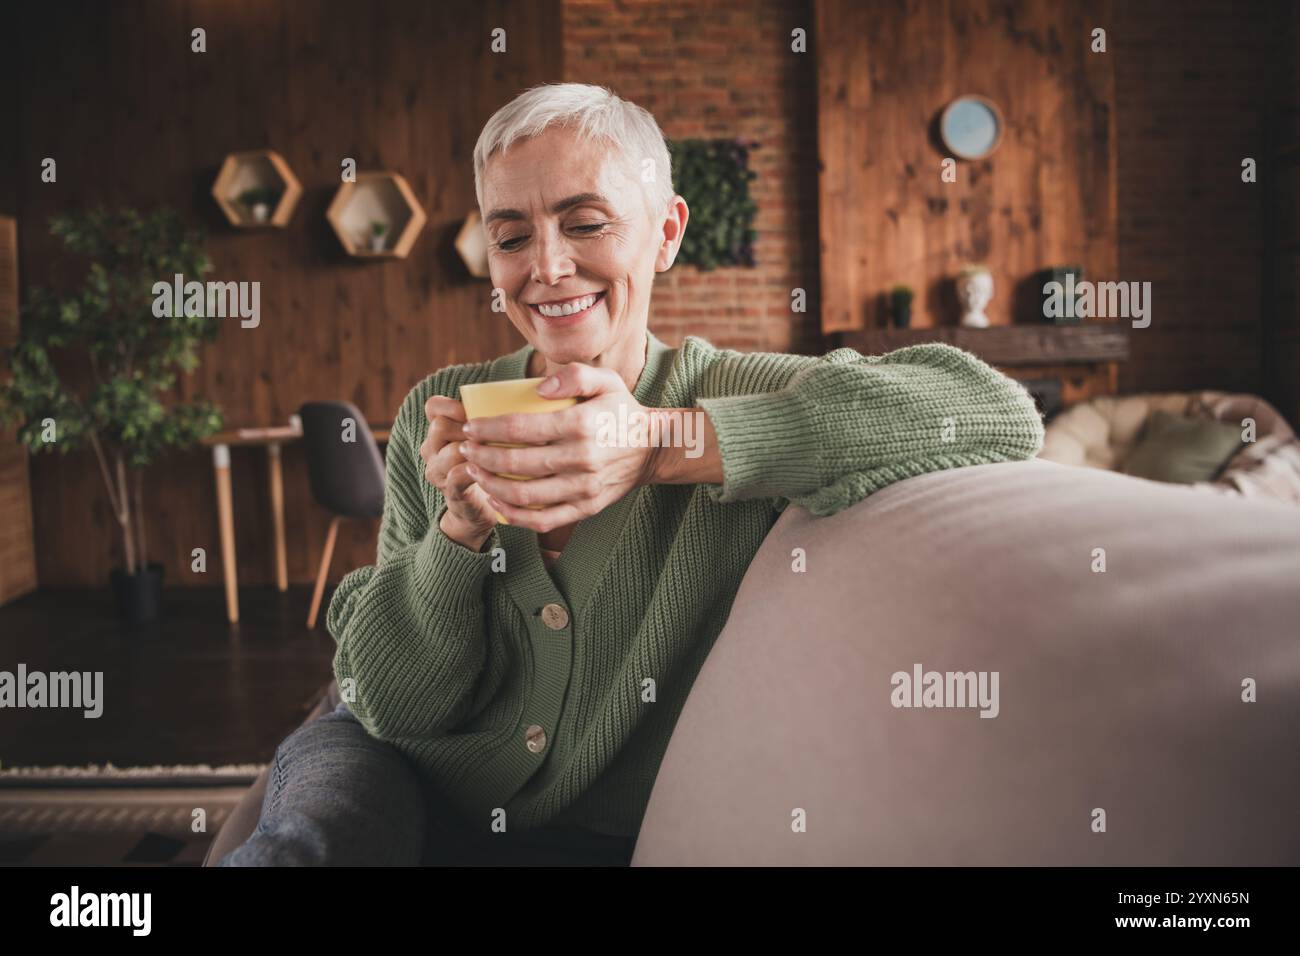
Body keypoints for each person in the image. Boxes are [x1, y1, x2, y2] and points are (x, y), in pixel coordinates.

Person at [220, 82, 1044, 866]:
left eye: (585, 223)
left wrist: (658, 444)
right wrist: (459, 531)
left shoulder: (724, 392)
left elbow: (993, 411)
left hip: (594, 831)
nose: (544, 266)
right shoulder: (439, 407)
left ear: (666, 232)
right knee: (317, 843)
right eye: (509, 236)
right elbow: (390, 705)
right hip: (390, 758)